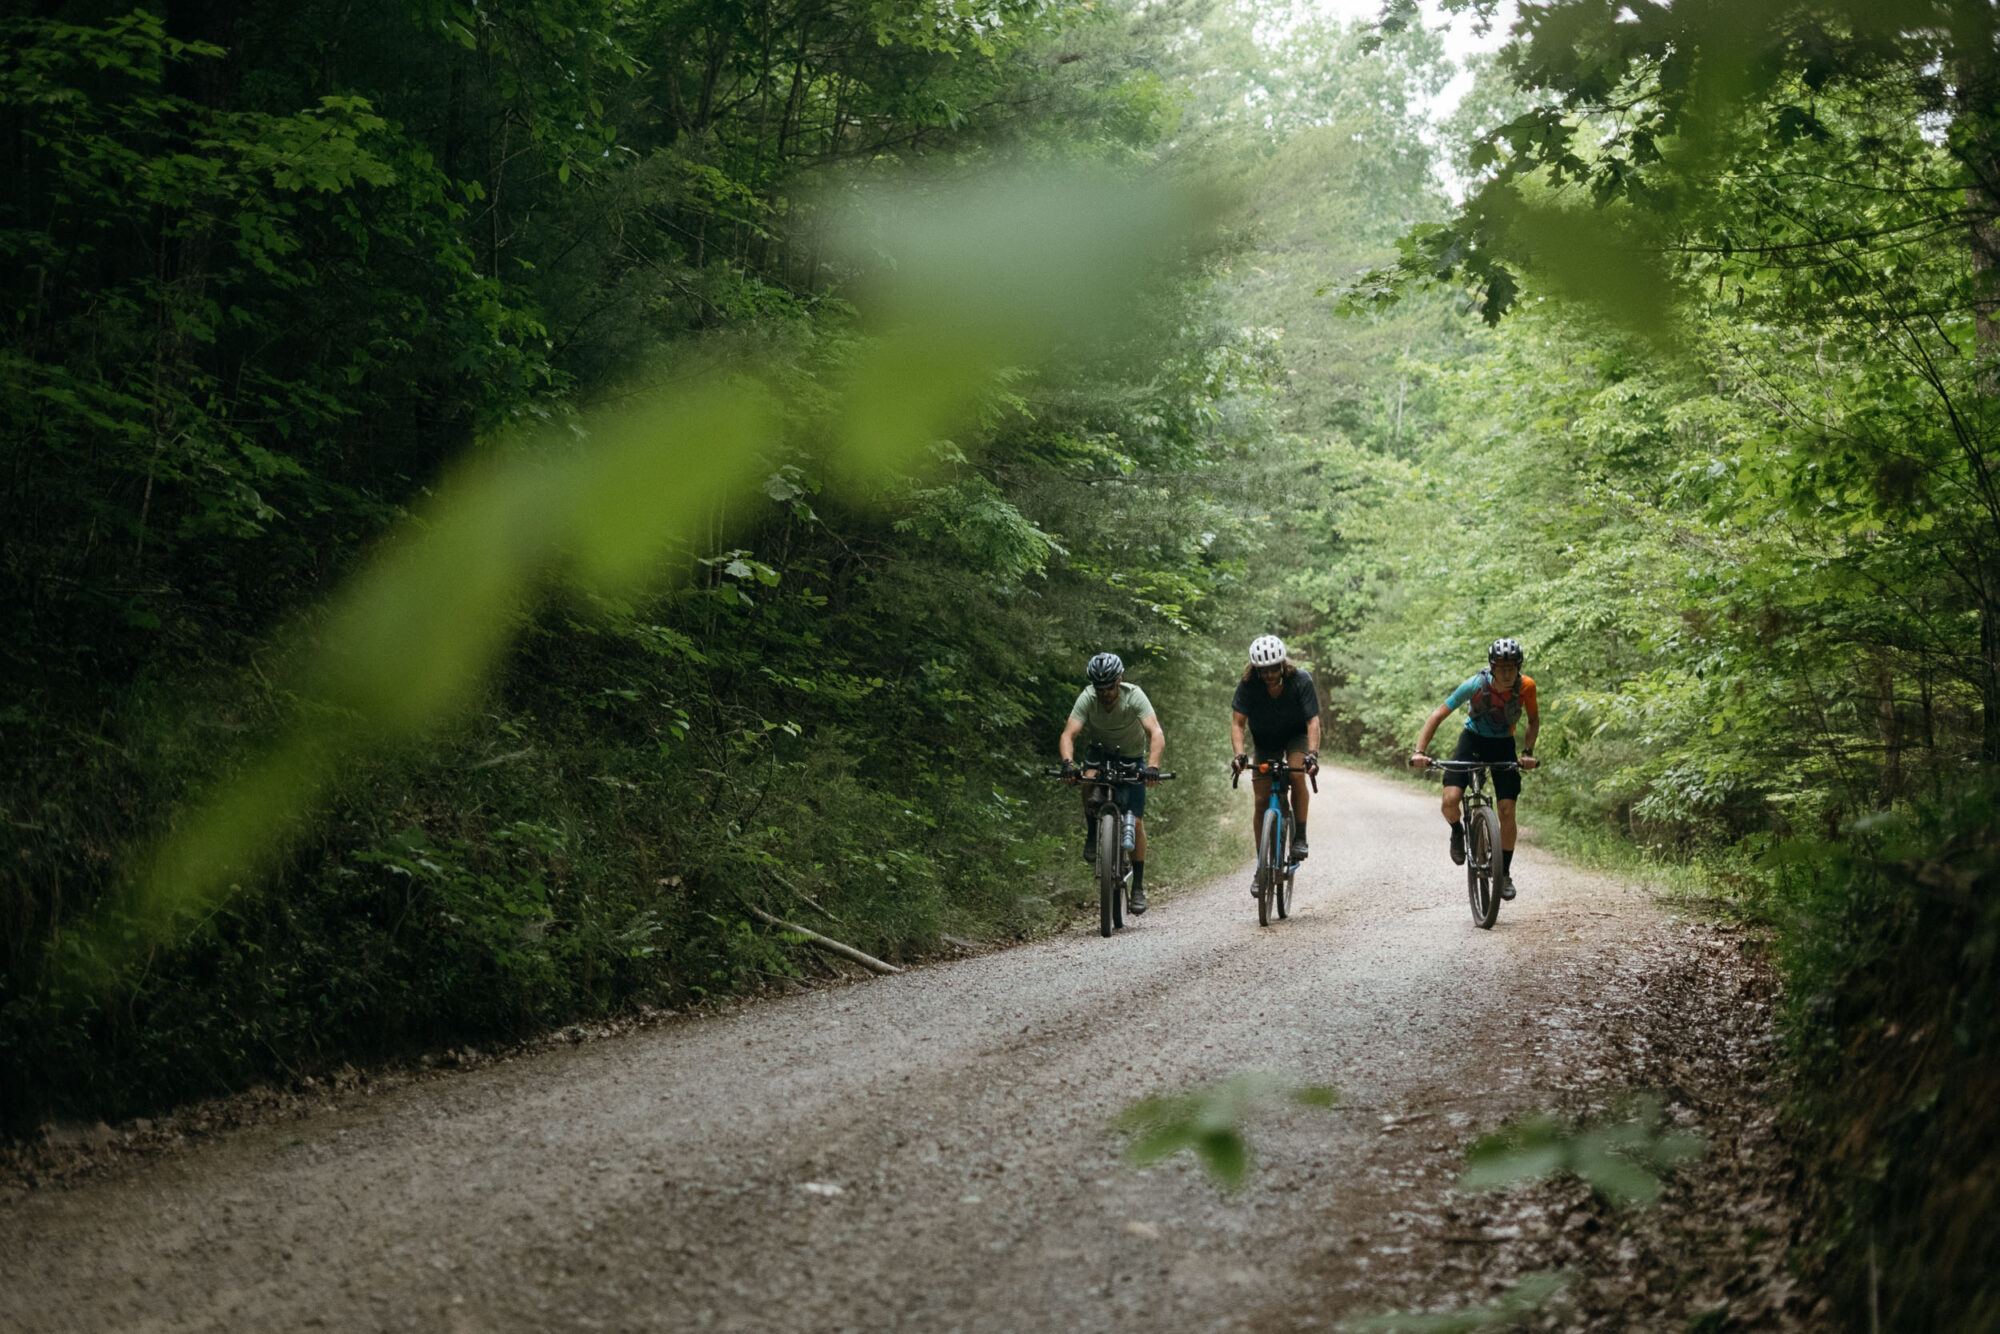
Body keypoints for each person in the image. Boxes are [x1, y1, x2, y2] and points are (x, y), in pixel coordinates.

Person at [1409, 637, 1541, 900]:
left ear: (1519, 667)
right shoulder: (1475, 685)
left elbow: (1533, 720)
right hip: (1472, 742)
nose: (1507, 672)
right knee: (1450, 800)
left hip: (1503, 744)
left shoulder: (1526, 687)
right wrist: (1419, 752)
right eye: (1501, 667)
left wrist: (1527, 752)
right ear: (1491, 667)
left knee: (1507, 809)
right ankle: (1458, 832)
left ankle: (1504, 873)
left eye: (1512, 667)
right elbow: (1438, 714)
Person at [1058, 652, 1166, 912]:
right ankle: (1093, 833)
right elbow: (1068, 734)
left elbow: (1156, 732)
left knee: (1136, 822)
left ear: (1119, 680)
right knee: (1087, 778)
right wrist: (1067, 764)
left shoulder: (1134, 696)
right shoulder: (1088, 697)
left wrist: (1152, 766)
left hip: (1131, 757)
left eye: (1109, 687)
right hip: (1099, 753)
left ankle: (1138, 887)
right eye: (1100, 688)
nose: (1105, 693)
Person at [1228, 635, 1321, 862]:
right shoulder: (1249, 685)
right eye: (1263, 670)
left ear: (1282, 664)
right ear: (1256, 669)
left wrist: (1312, 755)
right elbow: (1238, 723)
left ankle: (1300, 836)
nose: (1268, 674)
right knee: (1261, 801)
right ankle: (1262, 864)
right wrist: (1239, 755)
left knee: (1298, 775)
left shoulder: (1300, 680)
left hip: (1295, 735)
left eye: (1273, 669)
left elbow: (1313, 722)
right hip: (1265, 741)